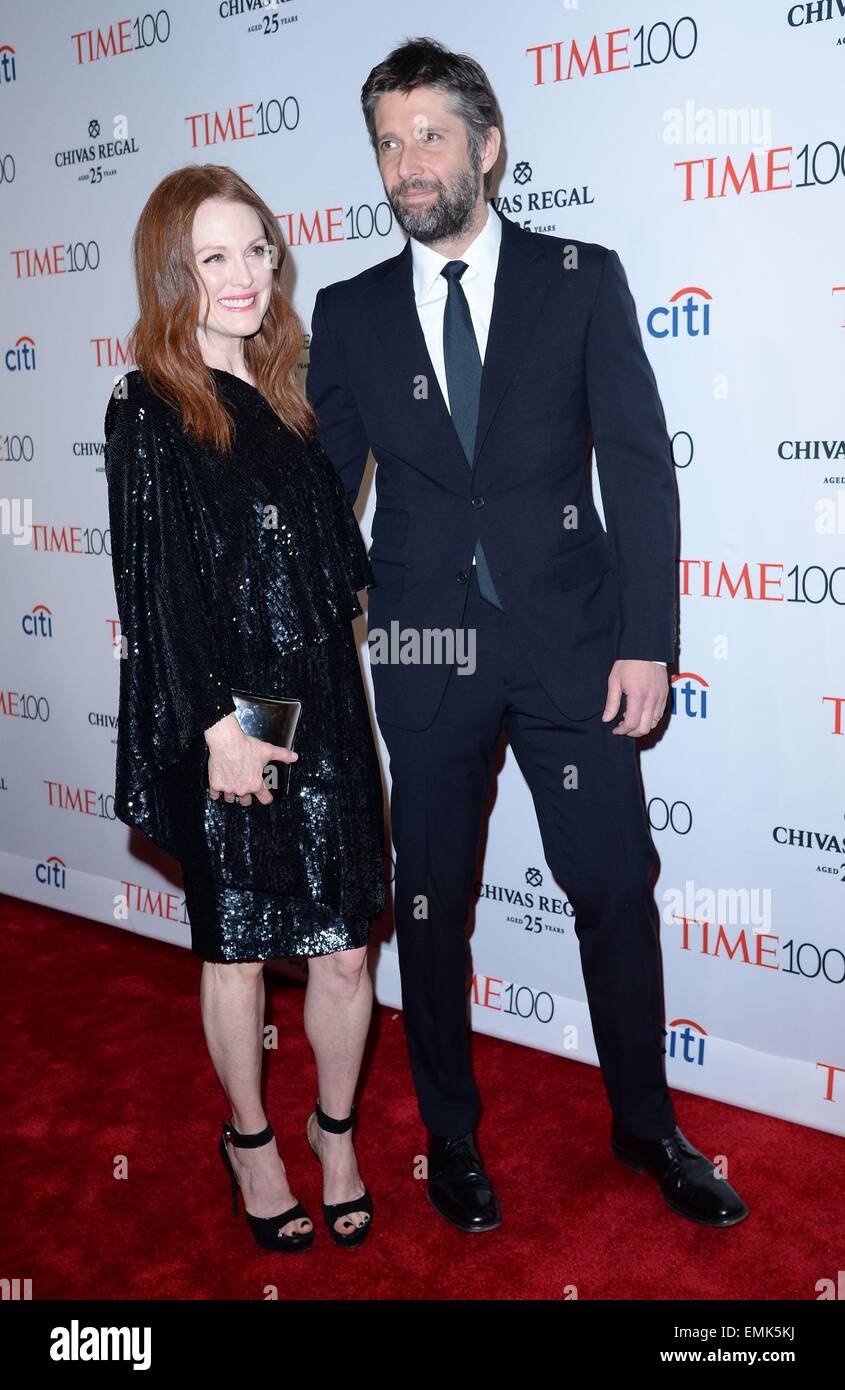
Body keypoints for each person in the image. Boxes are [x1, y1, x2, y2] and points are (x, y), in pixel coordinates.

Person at [306, 37, 748, 1233]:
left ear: (486, 147)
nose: (406, 164)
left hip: (574, 642)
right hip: (423, 651)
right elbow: (319, 505)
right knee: (432, 901)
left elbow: (640, 471)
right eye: (388, 142)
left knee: (612, 884)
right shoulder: (346, 314)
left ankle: (645, 1121)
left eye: (429, 136)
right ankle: (449, 1135)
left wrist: (646, 641)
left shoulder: (577, 276)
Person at [104, 164, 386, 1251]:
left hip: (323, 691)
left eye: (255, 250)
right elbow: (151, 583)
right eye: (212, 256)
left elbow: (327, 564)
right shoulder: (150, 403)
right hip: (242, 707)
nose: (241, 275)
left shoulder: (289, 395)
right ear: (174, 272)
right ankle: (252, 1140)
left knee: (344, 947)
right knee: (237, 947)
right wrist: (219, 727)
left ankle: (337, 1132)